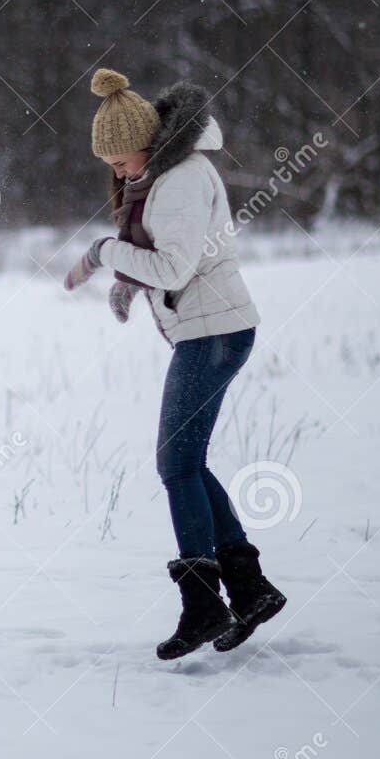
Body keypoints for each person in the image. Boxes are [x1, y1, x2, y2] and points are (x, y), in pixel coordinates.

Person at [65, 69, 286, 659]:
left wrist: (102, 254)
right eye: (107, 161)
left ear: (151, 144)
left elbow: (175, 268)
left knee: (176, 464)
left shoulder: (183, 180)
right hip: (206, 332)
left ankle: (203, 605)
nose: (116, 170)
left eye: (121, 157)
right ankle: (250, 589)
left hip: (215, 334)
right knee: (187, 461)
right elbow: (165, 258)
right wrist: (129, 285)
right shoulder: (161, 178)